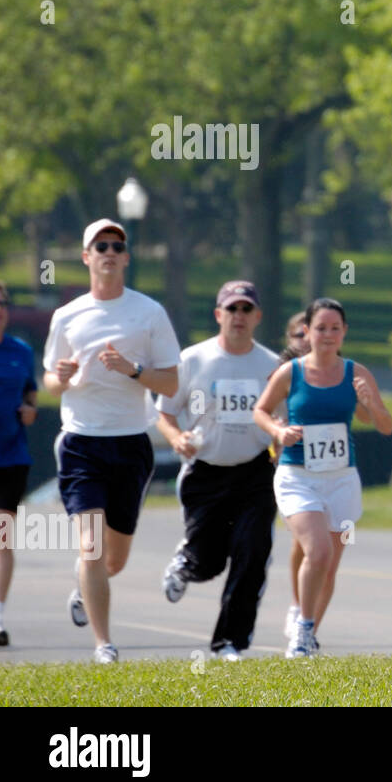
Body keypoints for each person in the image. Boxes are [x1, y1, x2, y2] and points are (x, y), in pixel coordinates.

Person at [42, 219, 181, 663]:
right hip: (82, 442)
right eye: (99, 245)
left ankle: (87, 588)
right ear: (86, 257)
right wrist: (58, 378)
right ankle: (104, 644)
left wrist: (133, 370)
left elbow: (173, 384)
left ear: (125, 257)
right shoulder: (67, 316)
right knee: (91, 547)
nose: (108, 251)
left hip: (131, 444)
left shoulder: (149, 312)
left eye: (116, 246)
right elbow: (49, 381)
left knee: (114, 559)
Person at [253, 297, 392, 657]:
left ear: (344, 332)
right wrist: (278, 431)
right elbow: (261, 410)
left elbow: (384, 426)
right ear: (307, 332)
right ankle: (301, 628)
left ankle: (310, 629)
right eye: (320, 328)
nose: (327, 335)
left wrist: (371, 403)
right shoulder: (291, 372)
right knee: (317, 550)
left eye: (335, 328)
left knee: (329, 565)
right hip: (297, 476)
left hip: (342, 479)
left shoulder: (356, 373)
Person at [155, 281, 281, 662]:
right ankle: (186, 561)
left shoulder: (271, 366)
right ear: (218, 315)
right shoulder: (193, 359)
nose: (238, 317)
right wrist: (177, 439)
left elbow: (281, 418)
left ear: (257, 316)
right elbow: (165, 413)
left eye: (246, 310)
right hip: (205, 473)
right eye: (232, 309)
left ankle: (230, 641)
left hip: (255, 473)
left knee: (253, 552)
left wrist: (279, 441)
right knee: (209, 562)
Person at [0, 281, 38, 647]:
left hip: (11, 458)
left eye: (1, 303)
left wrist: (30, 410)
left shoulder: (20, 351)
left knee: (2, 539)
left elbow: (31, 392)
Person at [277, 310, 309, 642]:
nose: (305, 341)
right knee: (303, 537)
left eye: (308, 333)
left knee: (326, 542)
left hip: (331, 466)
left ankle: (308, 614)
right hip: (287, 461)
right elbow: (264, 409)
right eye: (298, 335)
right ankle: (298, 608)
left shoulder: (337, 369)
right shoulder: (282, 370)